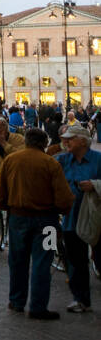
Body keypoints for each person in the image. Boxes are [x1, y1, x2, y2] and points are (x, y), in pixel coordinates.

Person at [0, 127, 74, 319]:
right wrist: (62, 211)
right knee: (43, 262)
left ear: (27, 142)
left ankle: (16, 301)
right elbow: (63, 197)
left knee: (17, 260)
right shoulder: (51, 163)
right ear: (44, 143)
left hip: (18, 218)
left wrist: (8, 207)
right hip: (47, 221)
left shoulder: (11, 160)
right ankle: (38, 307)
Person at [56, 125, 100, 313]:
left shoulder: (98, 160)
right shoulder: (63, 160)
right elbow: (46, 170)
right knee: (76, 261)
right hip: (71, 217)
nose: (66, 142)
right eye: (65, 138)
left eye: (70, 138)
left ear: (83, 141)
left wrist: (95, 185)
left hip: (96, 217)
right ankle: (81, 299)